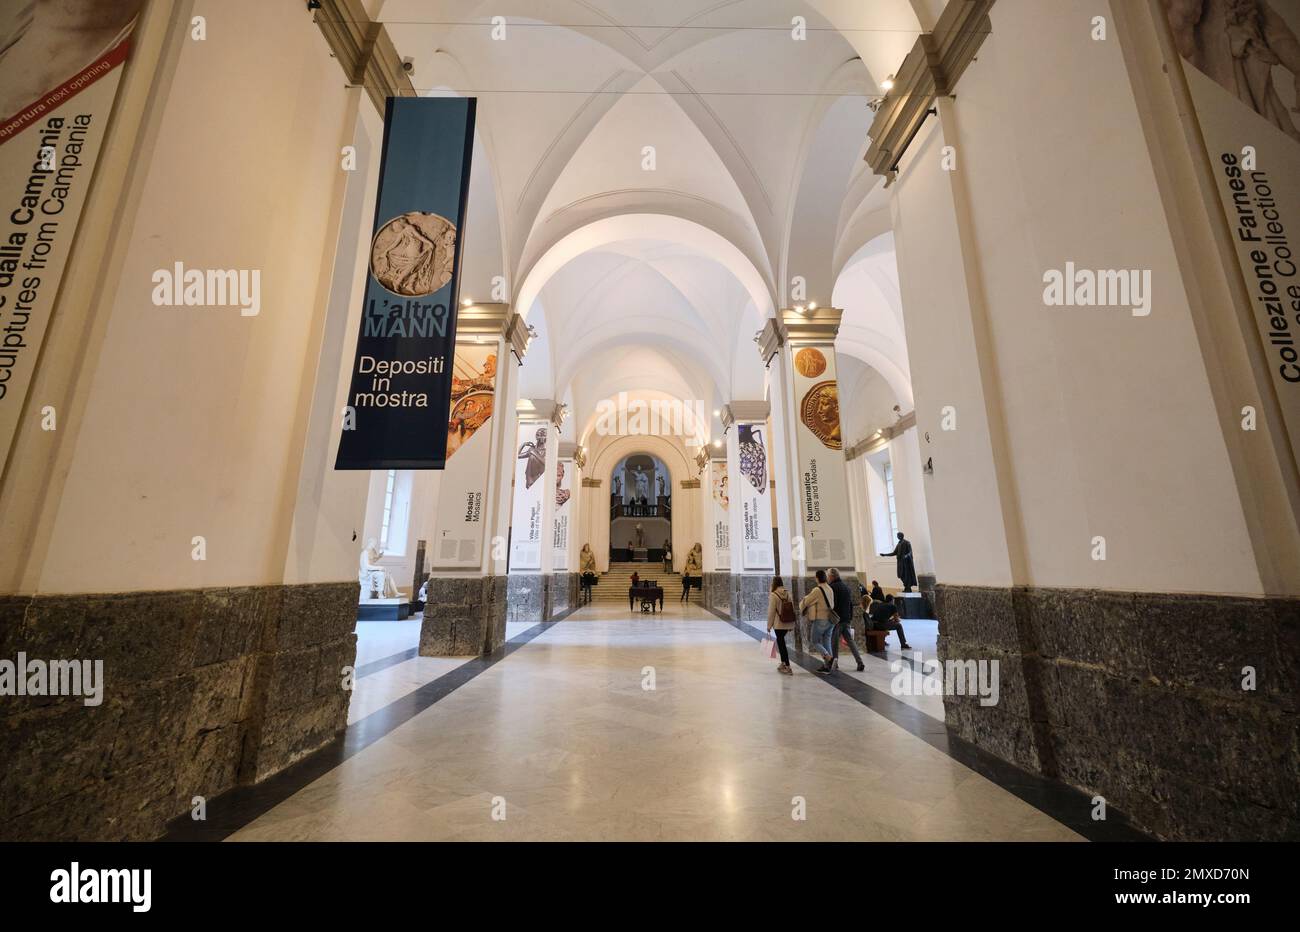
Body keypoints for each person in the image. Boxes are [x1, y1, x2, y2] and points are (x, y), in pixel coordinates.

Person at [827, 568, 865, 672]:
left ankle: (835, 663)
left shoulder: (832, 587)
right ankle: (860, 662)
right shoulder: (846, 587)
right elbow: (850, 604)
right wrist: (850, 617)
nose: (827, 578)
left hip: (837, 620)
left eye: (828, 576)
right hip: (846, 618)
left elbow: (831, 605)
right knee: (850, 641)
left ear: (832, 576)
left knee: (834, 642)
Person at [799, 569, 836, 674]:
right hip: (831, 620)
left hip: (821, 619)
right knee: (826, 640)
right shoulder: (829, 588)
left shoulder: (817, 590)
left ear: (817, 578)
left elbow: (807, 601)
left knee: (815, 641)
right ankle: (827, 666)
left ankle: (829, 658)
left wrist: (803, 601)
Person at [766, 576, 796, 675]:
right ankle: (783, 663)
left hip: (779, 624)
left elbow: (771, 612)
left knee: (782, 645)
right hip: (787, 622)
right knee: (781, 642)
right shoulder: (787, 593)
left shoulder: (773, 595)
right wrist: (791, 624)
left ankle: (787, 666)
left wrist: (769, 625)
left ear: (774, 583)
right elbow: (791, 609)